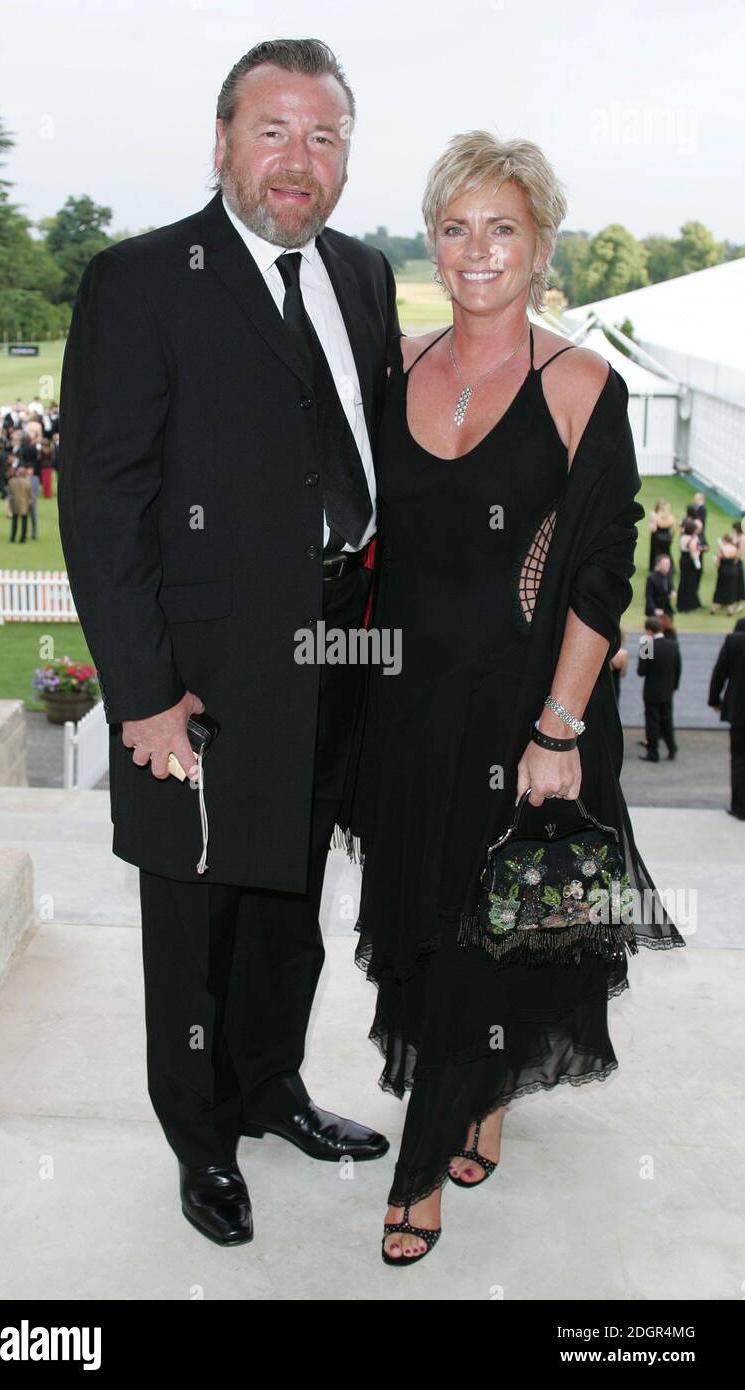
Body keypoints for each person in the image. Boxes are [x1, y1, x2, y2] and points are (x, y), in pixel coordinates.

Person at [58, 38, 400, 1248]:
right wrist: (144, 697)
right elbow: (100, 506)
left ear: (346, 156)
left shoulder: (361, 276)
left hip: (337, 664)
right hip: (200, 684)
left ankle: (272, 1087)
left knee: (292, 902)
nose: (297, 160)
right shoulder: (141, 280)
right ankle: (201, 1137)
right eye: (274, 131)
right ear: (222, 144)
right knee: (195, 921)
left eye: (323, 136)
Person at [335, 130, 685, 1265]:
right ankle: (478, 1087)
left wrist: (558, 731)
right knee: (422, 934)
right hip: (403, 711)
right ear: (430, 240)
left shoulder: (579, 382)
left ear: (540, 248)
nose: (476, 250)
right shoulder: (397, 365)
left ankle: (420, 1160)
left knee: (484, 935)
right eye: (454, 226)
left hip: (523, 716)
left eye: (502, 229)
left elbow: (598, 572)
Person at [709, 616, 745, 818]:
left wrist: (714, 699)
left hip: (738, 710)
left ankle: (739, 806)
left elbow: (720, 672)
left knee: (739, 758)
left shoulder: (733, 641)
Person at [636, 616, 681, 761]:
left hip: (651, 691)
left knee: (652, 722)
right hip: (667, 690)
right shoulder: (672, 645)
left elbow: (641, 671)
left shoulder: (646, 644)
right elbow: (678, 668)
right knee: (667, 720)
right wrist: (673, 686)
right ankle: (671, 748)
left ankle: (653, 752)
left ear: (649, 630)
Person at [676, 516, 703, 612]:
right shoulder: (692, 539)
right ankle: (687, 605)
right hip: (689, 562)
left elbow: (681, 547)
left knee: (683, 581)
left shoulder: (682, 537)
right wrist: (698, 552)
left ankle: (680, 604)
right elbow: (693, 554)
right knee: (689, 583)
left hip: (683, 559)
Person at [710, 534, 740, 615]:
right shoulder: (735, 548)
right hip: (733, 571)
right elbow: (736, 561)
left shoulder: (722, 549)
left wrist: (717, 564)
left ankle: (714, 607)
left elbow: (717, 563)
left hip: (723, 571)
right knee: (731, 589)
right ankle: (730, 609)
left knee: (720, 588)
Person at [647, 498, 676, 581]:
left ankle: (655, 567)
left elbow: (654, 528)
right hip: (667, 537)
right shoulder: (670, 516)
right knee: (666, 551)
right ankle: (669, 567)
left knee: (656, 552)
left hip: (657, 537)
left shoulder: (655, 515)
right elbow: (673, 529)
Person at [645, 552, 675, 618]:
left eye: (668, 564)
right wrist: (654, 609)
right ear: (658, 564)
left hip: (666, 609)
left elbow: (669, 588)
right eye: (665, 564)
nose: (668, 566)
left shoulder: (668, 576)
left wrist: (672, 592)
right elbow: (648, 596)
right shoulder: (651, 578)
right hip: (655, 610)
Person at [7, 464, 31, 543]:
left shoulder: (11, 481)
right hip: (24, 504)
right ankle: (22, 538)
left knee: (14, 522)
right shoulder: (27, 482)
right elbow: (30, 495)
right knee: (24, 522)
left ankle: (12, 537)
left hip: (14, 504)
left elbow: (10, 493)